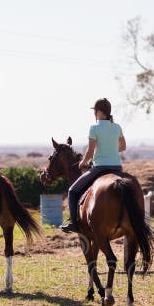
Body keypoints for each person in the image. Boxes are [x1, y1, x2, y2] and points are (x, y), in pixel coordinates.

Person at [60, 98, 126, 233]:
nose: (94, 113)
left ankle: (74, 223)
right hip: (117, 168)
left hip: (100, 168)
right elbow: (123, 146)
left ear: (99, 112)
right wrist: (111, 150)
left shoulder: (94, 128)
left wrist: (83, 162)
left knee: (72, 191)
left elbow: (90, 151)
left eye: (95, 111)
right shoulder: (117, 127)